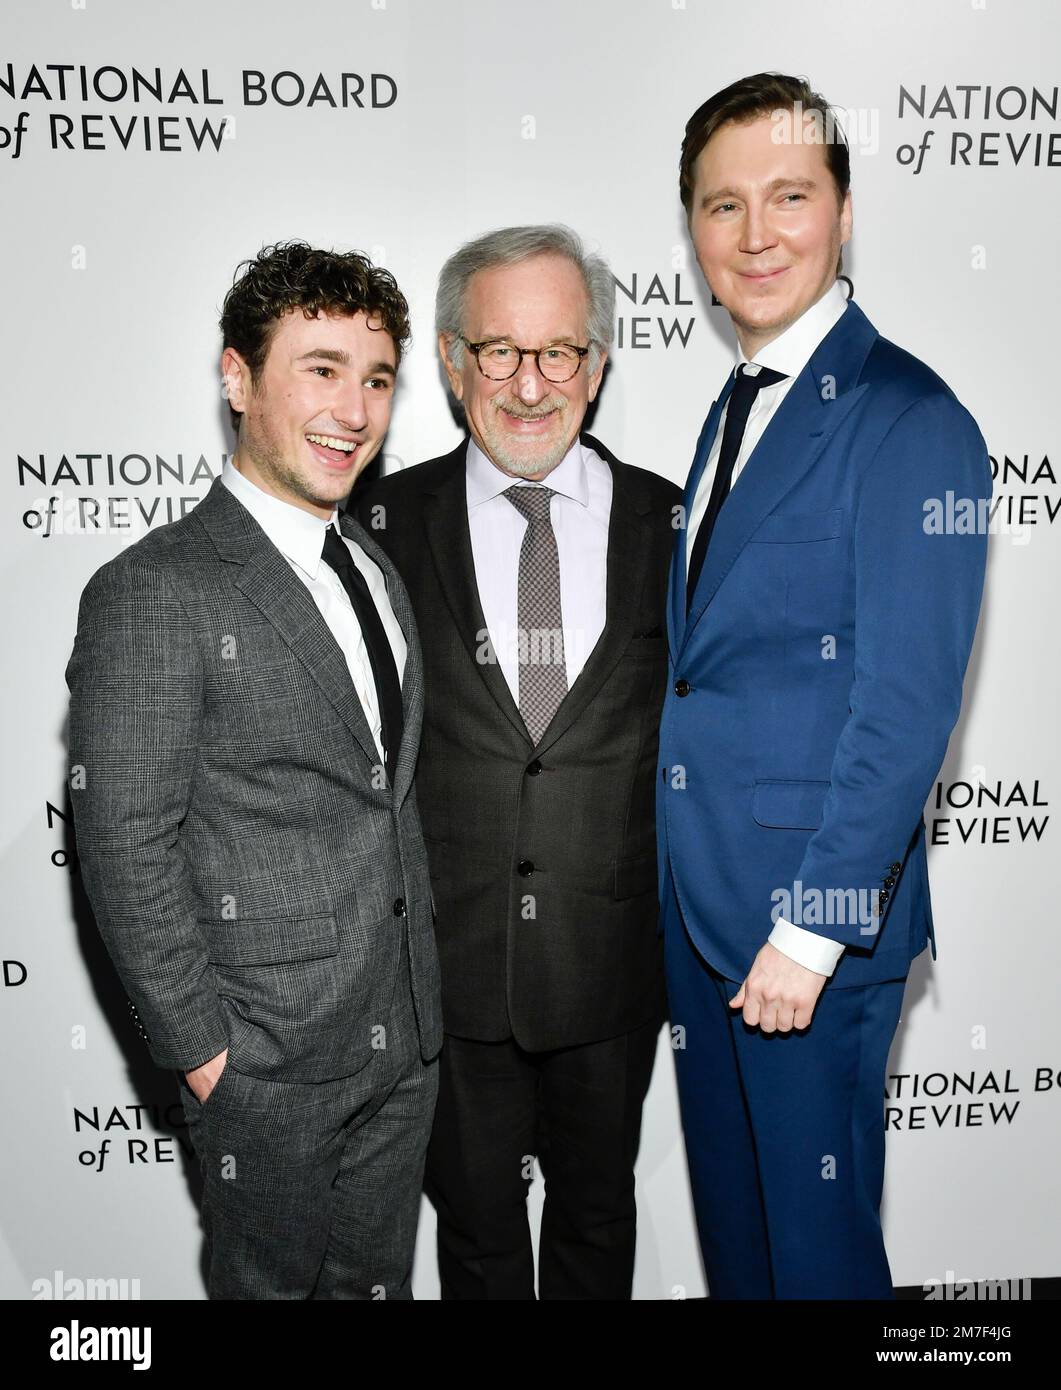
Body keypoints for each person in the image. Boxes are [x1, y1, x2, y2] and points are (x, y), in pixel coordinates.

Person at [659, 74, 990, 1299]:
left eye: (787, 197)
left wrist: (808, 928)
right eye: (721, 205)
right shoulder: (732, 408)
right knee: (743, 1262)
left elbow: (904, 710)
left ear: (843, 211)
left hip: (805, 933)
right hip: (701, 926)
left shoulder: (907, 420)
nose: (754, 237)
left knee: (816, 1270)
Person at [65, 241, 442, 1299]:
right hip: (262, 1061)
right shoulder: (155, 589)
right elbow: (123, 840)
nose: (354, 410)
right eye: (319, 369)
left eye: (375, 378)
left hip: (401, 1039)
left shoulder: (372, 566)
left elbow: (377, 799)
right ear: (238, 379)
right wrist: (204, 1056)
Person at [355, 225, 681, 1299]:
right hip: (447, 977)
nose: (530, 385)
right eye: (499, 351)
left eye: (558, 353)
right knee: (477, 1237)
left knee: (597, 1221)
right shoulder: (378, 528)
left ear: (596, 363)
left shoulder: (670, 522)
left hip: (612, 962)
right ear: (451, 363)